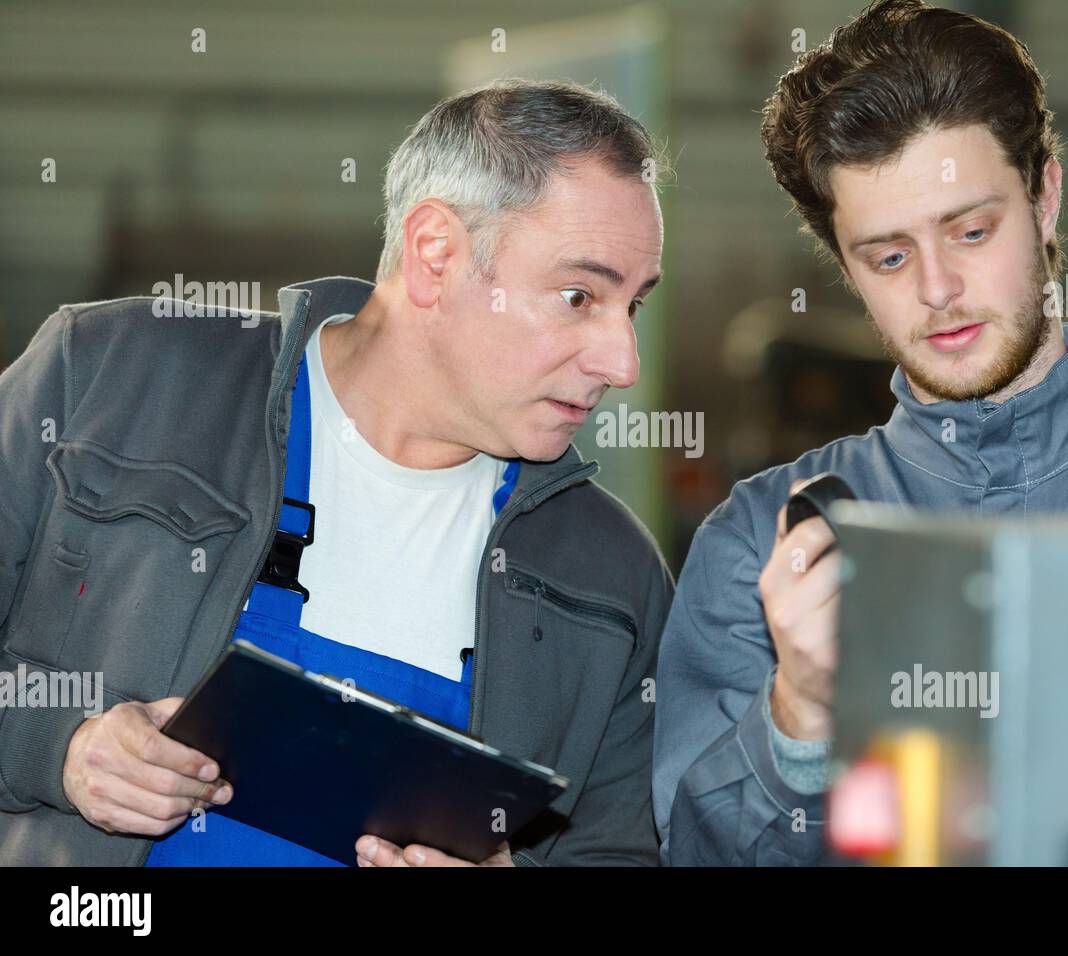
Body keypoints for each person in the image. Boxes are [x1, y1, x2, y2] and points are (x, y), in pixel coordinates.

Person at [652, 0, 1068, 866]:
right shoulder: (761, 550)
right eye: (888, 256)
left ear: (1046, 198)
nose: (938, 288)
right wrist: (799, 712)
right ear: (845, 267)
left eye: (971, 230)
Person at [0, 79, 671, 866]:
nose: (622, 362)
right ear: (436, 253)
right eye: (578, 295)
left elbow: (619, 852)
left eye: (634, 308)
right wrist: (61, 746)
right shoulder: (110, 377)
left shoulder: (612, 577)